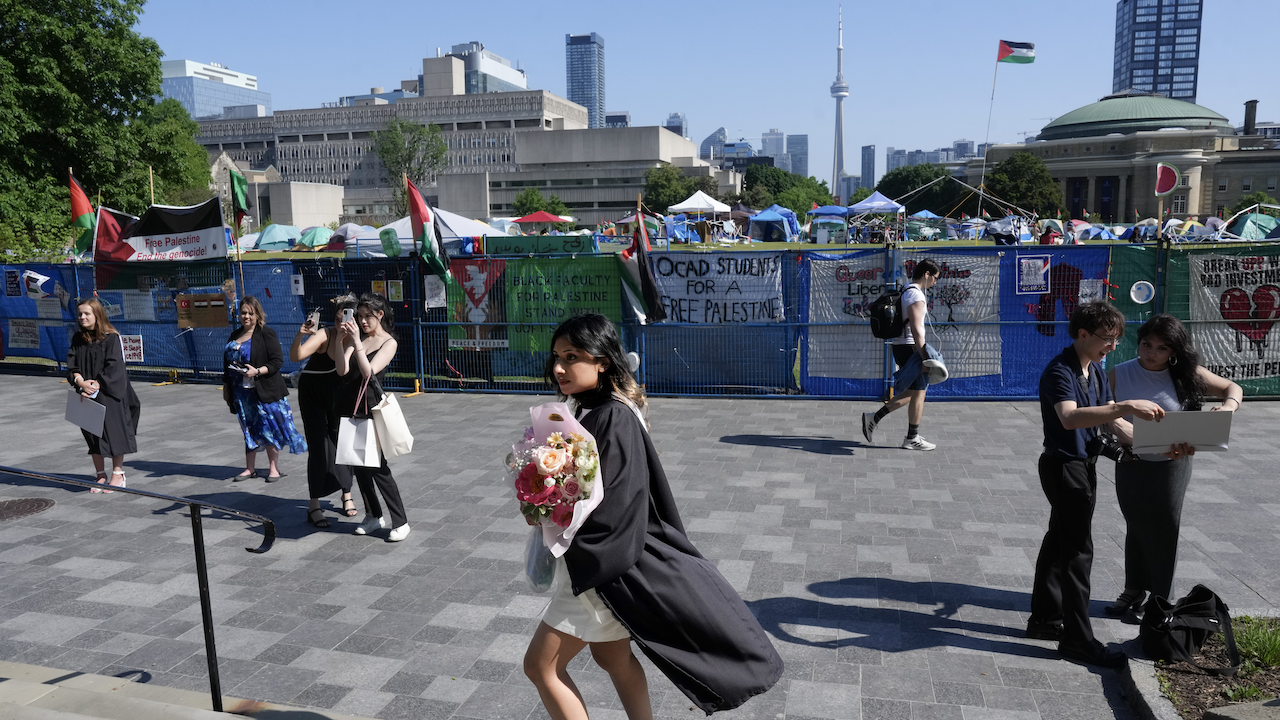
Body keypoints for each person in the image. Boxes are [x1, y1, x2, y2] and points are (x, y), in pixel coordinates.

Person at [524, 313, 783, 719]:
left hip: (600, 572)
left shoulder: (612, 416)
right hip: (606, 567)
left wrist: (553, 514)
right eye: (556, 356)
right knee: (613, 659)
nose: (558, 367)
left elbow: (619, 506)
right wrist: (544, 501)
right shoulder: (595, 410)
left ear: (602, 361)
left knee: (542, 667)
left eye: (571, 356)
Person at [1025, 302, 1165, 668]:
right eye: (1108, 338)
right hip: (1063, 467)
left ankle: (1044, 620)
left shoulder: (1096, 371)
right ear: (1083, 334)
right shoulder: (1060, 371)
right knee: (1077, 553)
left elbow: (1115, 425)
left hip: (1082, 466)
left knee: (1059, 541)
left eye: (1117, 339)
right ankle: (1076, 639)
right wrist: (1124, 407)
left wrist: (1162, 446)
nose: (1113, 346)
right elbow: (1070, 418)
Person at [1105, 314, 1243, 615]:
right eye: (1146, 344)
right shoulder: (1119, 373)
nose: (1151, 353)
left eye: (1161, 348)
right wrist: (1117, 437)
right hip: (1131, 460)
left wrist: (1227, 407)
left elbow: (1232, 388)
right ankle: (1132, 590)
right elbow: (1104, 413)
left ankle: (1159, 597)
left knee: (1165, 526)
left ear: (1174, 351)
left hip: (1173, 464)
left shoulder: (1186, 373)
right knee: (1137, 523)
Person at [331, 292, 410, 542]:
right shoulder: (359, 339)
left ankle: (401, 521)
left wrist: (356, 341)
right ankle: (373, 515)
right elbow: (342, 370)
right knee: (358, 464)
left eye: (368, 317)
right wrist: (342, 340)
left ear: (380, 315)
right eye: (359, 316)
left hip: (370, 406)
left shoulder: (389, 343)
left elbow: (369, 374)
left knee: (377, 466)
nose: (363, 321)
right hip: (350, 404)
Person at [291, 296, 358, 528]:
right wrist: (301, 335)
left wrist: (344, 340)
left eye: (346, 319)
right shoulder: (326, 334)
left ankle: (346, 494)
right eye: (337, 319)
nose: (341, 324)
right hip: (313, 393)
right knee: (319, 447)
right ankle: (314, 505)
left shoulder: (355, 339)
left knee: (343, 443)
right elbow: (296, 356)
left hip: (338, 393)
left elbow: (343, 371)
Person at [223, 296, 306, 481]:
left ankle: (273, 469)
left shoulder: (266, 333)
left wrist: (258, 371)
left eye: (250, 313)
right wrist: (226, 386)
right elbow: (226, 364)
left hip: (265, 391)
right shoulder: (234, 335)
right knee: (248, 429)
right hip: (242, 394)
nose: (246, 316)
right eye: (243, 313)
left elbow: (277, 362)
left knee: (268, 428)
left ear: (257, 314)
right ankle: (249, 468)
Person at [863, 258, 942, 450]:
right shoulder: (917, 296)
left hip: (901, 346)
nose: (935, 282)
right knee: (919, 393)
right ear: (926, 274)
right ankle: (911, 438)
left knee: (913, 392)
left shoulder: (906, 289)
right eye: (935, 278)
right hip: (910, 348)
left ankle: (874, 418)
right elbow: (916, 329)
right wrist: (925, 357)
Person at [67, 297, 140, 493]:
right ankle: (100, 474)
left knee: (115, 434)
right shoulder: (78, 339)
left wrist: (97, 383)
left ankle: (118, 474)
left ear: (97, 315)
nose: (82, 317)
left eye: (86, 314)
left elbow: (115, 366)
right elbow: (72, 363)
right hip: (86, 391)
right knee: (92, 435)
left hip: (109, 393)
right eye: (80, 314)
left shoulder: (111, 338)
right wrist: (81, 382)